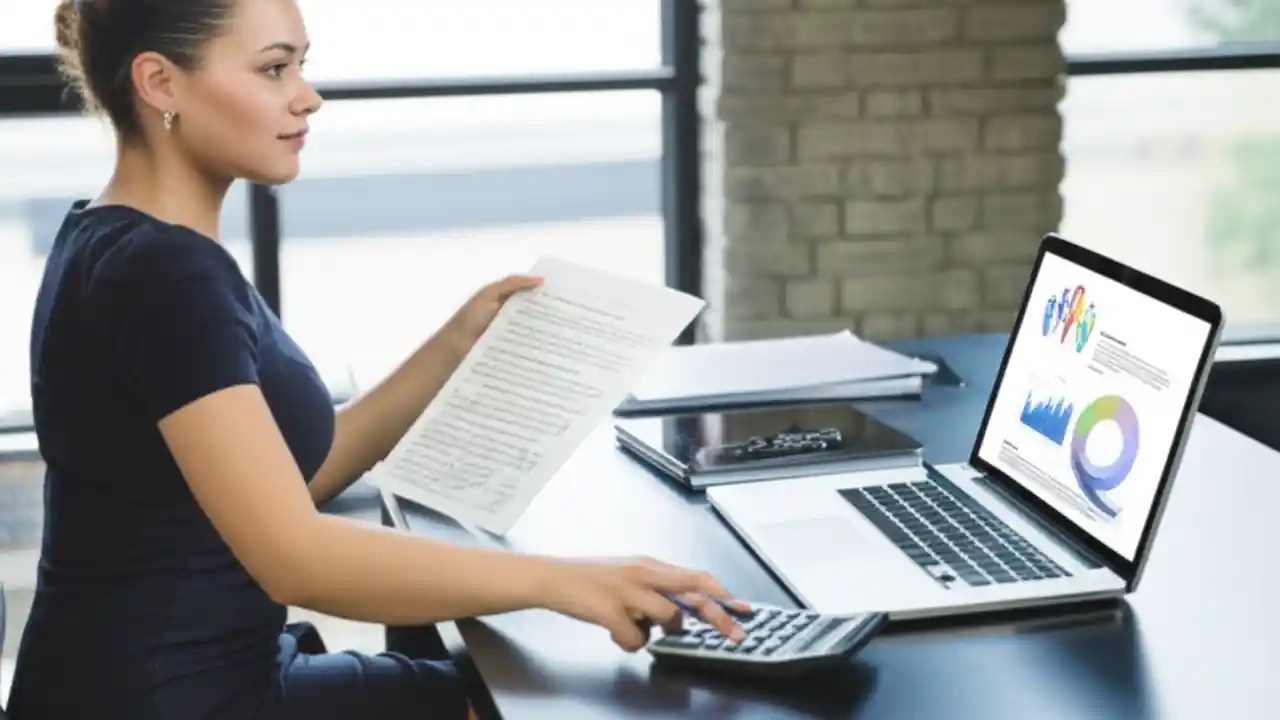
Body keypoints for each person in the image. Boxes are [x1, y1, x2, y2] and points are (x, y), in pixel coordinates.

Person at [8, 1, 748, 718]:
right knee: (556, 694)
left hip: (159, 675)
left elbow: (291, 479)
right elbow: (297, 557)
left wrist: (457, 345)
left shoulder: (108, 240)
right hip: (171, 697)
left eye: (301, 66)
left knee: (519, 680)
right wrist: (569, 583)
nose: (308, 98)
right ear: (160, 83)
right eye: (273, 70)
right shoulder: (166, 274)